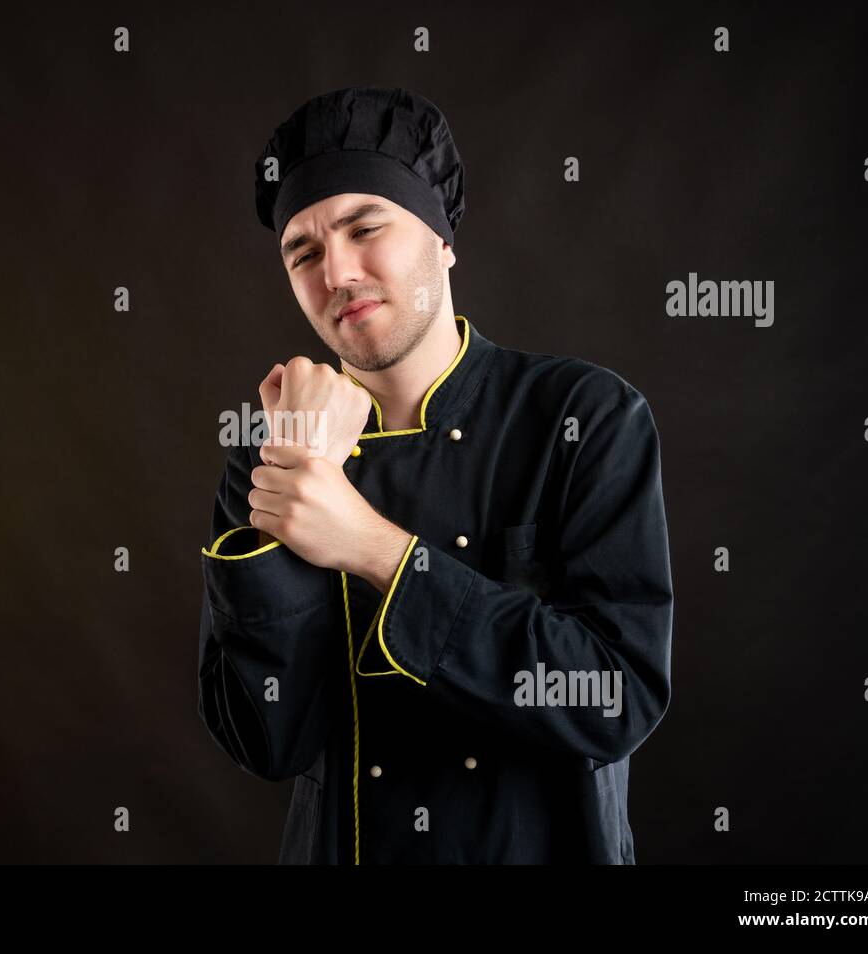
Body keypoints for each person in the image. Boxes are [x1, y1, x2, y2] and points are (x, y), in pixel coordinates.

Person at [197, 87, 674, 864]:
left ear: (442, 239)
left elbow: (613, 698)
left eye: (364, 227)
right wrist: (303, 464)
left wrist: (375, 550)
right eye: (305, 252)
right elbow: (264, 741)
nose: (338, 272)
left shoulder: (583, 415)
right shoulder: (270, 451)